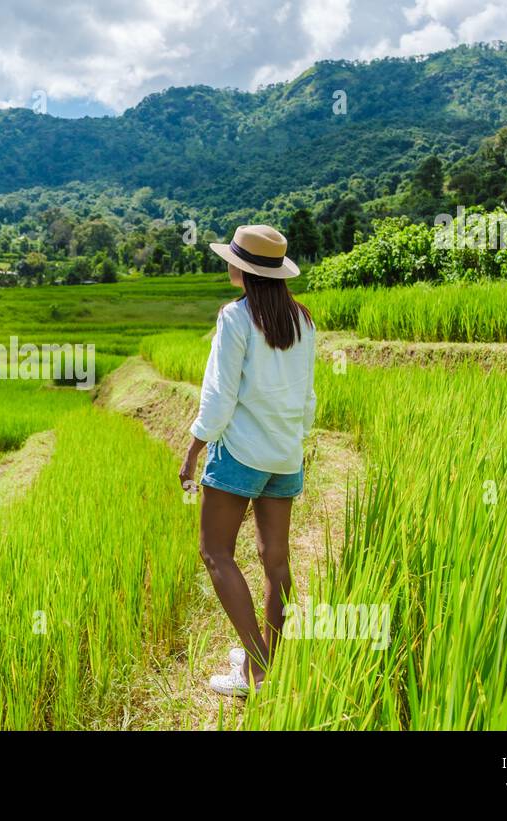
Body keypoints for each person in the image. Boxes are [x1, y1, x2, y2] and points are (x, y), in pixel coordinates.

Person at [178, 225, 317, 697]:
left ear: (245, 269)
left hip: (240, 455)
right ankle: (269, 660)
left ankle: (256, 671)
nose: (228, 263)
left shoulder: (235, 318)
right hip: (285, 455)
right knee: (276, 561)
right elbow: (307, 399)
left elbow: (219, 397)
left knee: (215, 553)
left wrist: (194, 450)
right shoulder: (303, 320)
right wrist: (292, 443)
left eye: (232, 258)